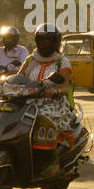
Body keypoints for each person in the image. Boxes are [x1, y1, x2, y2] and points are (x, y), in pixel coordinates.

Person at [18, 23, 75, 178]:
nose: (44, 44)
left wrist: (53, 91)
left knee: (42, 117)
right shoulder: (31, 59)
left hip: (53, 102)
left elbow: (64, 87)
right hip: (29, 100)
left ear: (55, 42)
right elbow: (18, 78)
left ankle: (52, 162)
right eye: (41, 40)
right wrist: (2, 85)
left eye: (48, 41)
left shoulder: (61, 62)